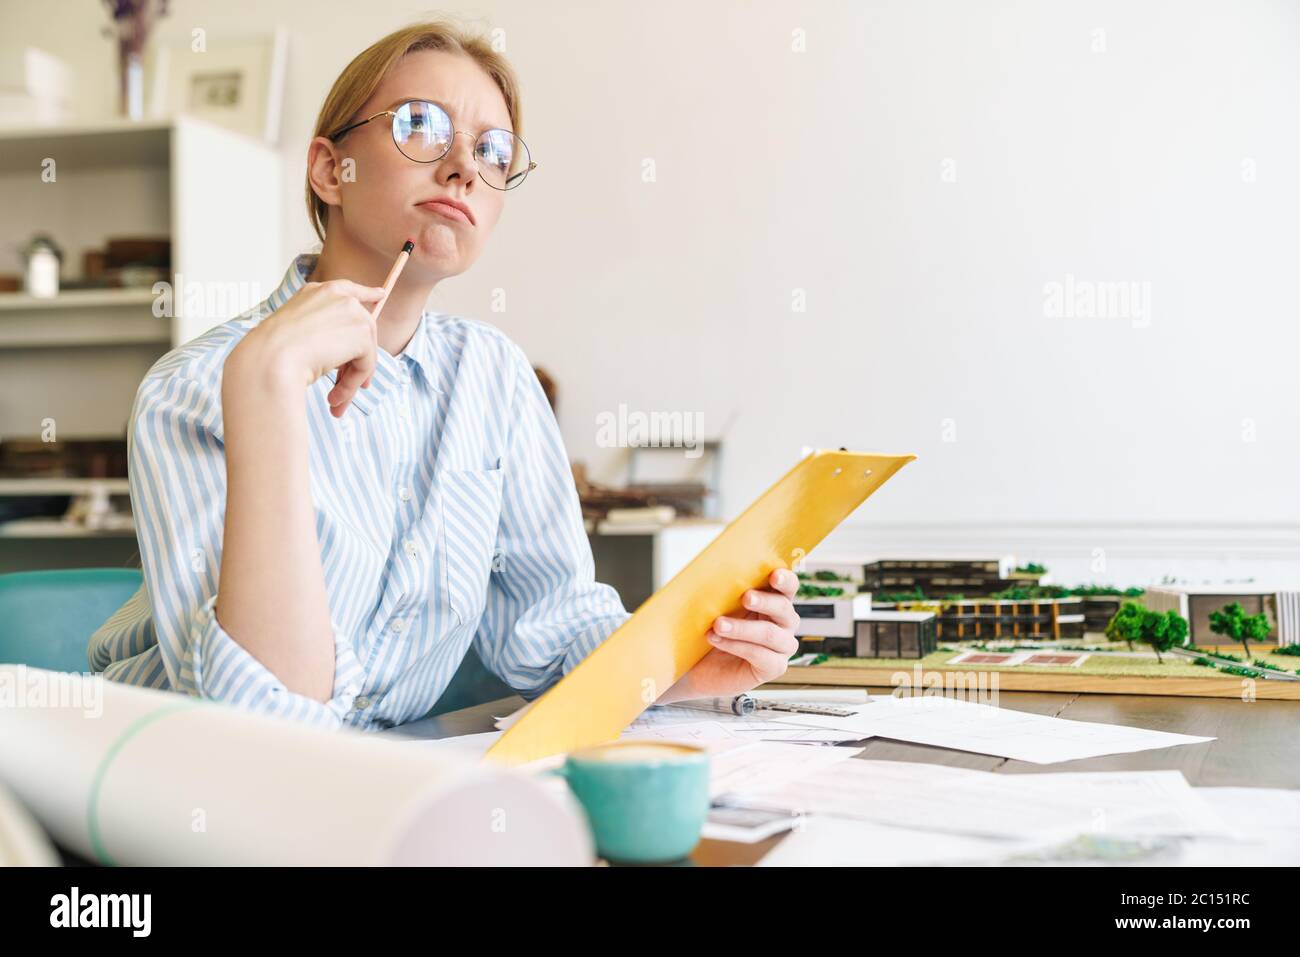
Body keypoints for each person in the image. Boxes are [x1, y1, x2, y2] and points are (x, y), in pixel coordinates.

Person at [89, 20, 799, 731]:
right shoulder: (195, 387)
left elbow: (552, 632)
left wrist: (687, 666)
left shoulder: (494, 378)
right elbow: (264, 725)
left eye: (493, 150)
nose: (465, 167)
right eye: (422, 125)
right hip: (177, 788)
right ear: (330, 169)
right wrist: (267, 389)